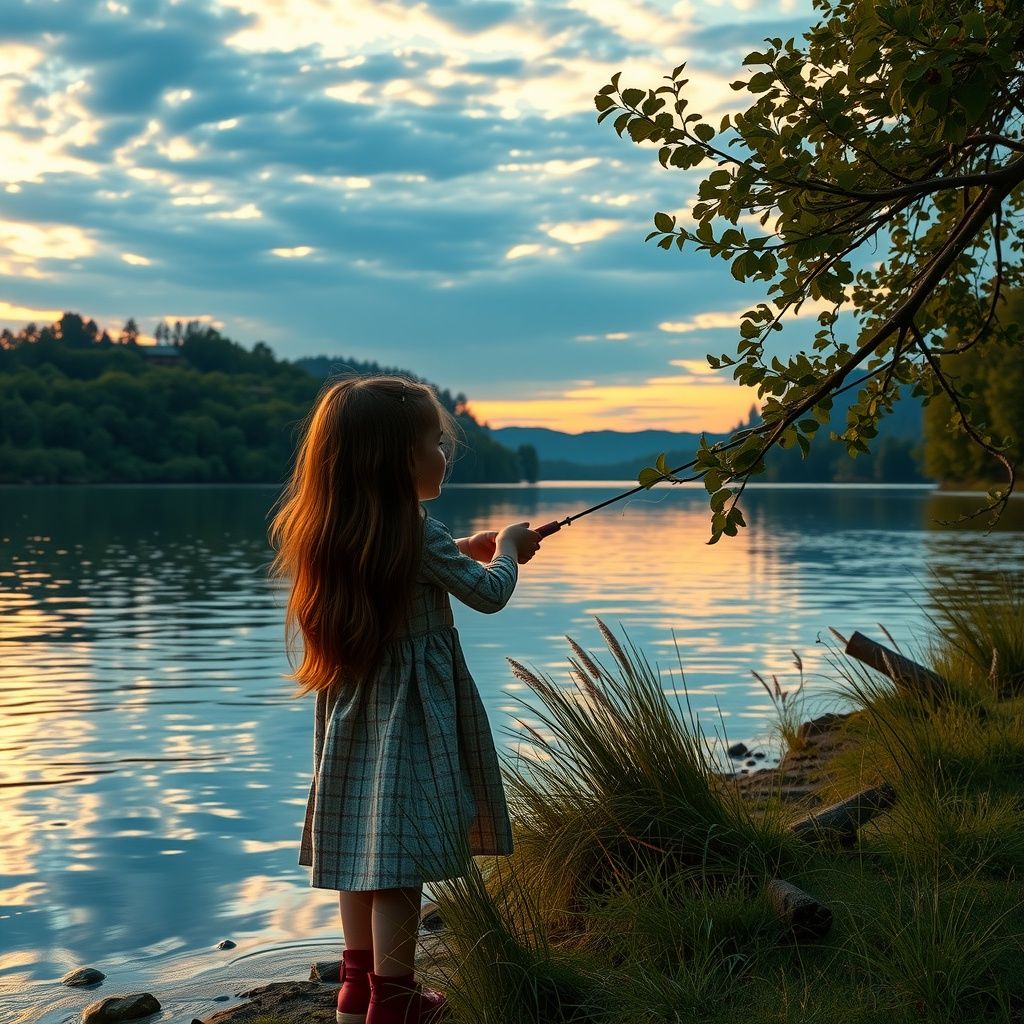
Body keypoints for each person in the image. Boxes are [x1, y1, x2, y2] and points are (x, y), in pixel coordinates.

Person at [267, 374, 542, 1024]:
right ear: (397, 460)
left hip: (352, 717)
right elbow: (490, 595)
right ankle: (396, 999)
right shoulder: (416, 532)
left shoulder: (331, 531)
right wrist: (507, 551)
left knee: (361, 853)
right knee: (399, 863)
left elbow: (428, 570)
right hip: (409, 719)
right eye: (433, 443)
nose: (443, 455)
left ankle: (356, 986)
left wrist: (463, 551)